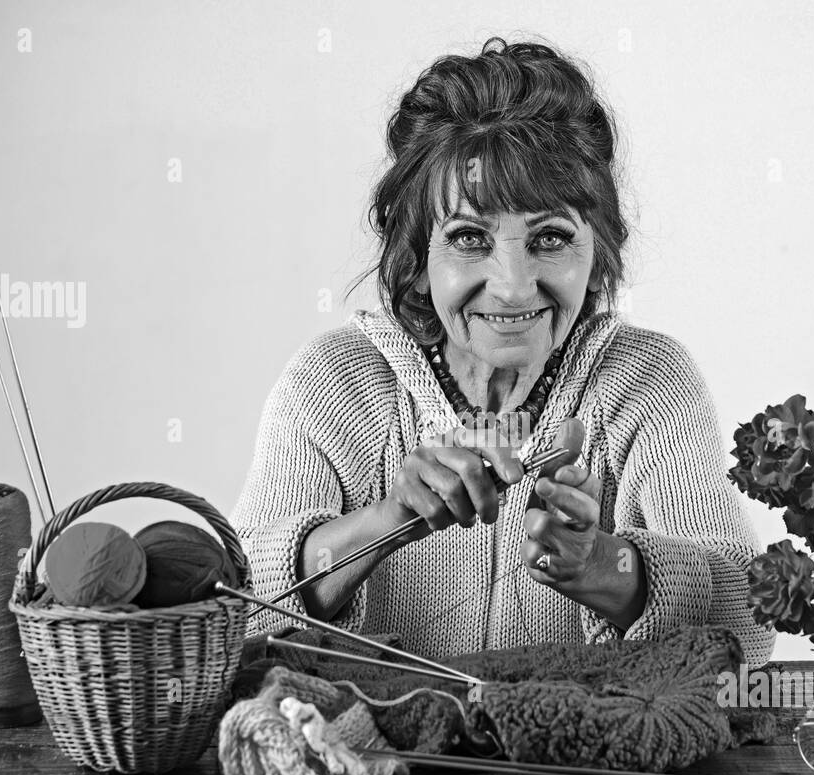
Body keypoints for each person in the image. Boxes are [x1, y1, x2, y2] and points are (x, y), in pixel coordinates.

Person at [230, 37, 774, 666]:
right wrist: (387, 521)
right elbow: (230, 613)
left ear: (598, 252)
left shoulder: (651, 382)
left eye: (550, 237)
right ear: (415, 255)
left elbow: (752, 625)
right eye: (468, 237)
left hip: (575, 763)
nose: (513, 286)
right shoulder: (331, 384)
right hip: (389, 754)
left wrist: (607, 567)